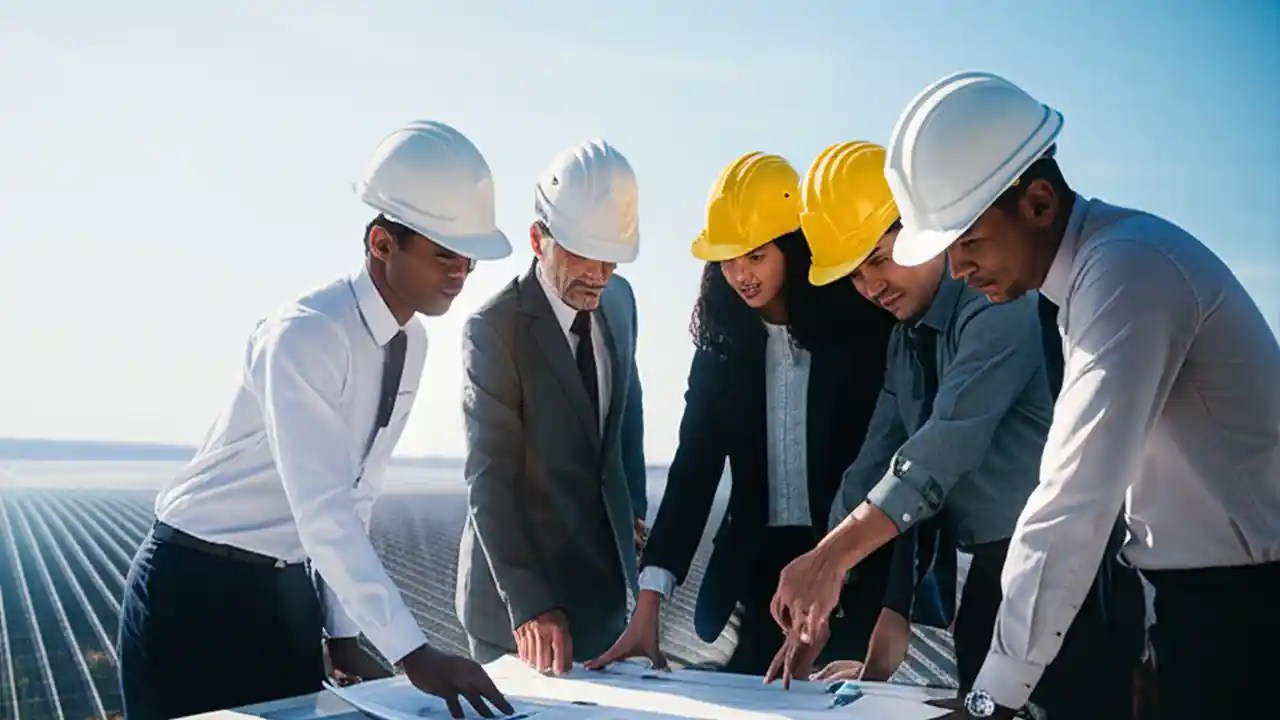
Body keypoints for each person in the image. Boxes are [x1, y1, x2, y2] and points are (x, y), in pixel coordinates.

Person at [881, 70, 1280, 720]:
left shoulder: (1126, 273)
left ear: (1038, 203)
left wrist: (990, 701)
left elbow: (1075, 497)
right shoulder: (1102, 272)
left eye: (970, 243)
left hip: (1243, 619)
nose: (957, 270)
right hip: (1196, 606)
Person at [117, 121, 516, 720]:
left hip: (283, 597)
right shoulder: (306, 335)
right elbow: (322, 509)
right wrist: (413, 653)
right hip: (192, 594)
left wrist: (344, 633)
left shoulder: (411, 342)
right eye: (443, 256)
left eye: (467, 260)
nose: (459, 273)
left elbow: (359, 497)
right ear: (382, 244)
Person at [769, 140, 1142, 717]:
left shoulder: (997, 307)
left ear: (921, 233)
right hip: (995, 579)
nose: (871, 286)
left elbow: (942, 449)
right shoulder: (906, 338)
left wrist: (831, 563)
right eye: (854, 274)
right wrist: (819, 588)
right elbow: (877, 457)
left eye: (878, 258)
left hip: (1074, 577)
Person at [583, 152, 896, 681]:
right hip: (762, 579)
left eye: (755, 255)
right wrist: (650, 603)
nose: (740, 275)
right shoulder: (721, 348)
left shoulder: (864, 331)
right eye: (727, 259)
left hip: (853, 569)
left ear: (793, 250)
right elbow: (693, 470)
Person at [456, 138, 648, 675]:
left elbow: (625, 418)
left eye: (612, 257)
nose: (600, 274)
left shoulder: (621, 302)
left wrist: (632, 507)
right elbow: (488, 480)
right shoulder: (493, 331)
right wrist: (530, 604)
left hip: (599, 599)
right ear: (538, 238)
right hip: (514, 609)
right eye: (584, 254)